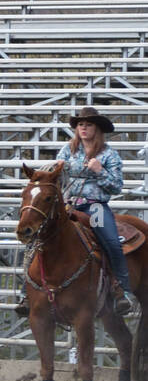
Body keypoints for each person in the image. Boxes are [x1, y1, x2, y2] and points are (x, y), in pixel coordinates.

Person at [57, 105, 139, 318]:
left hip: (95, 206)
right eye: (80, 125)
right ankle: (27, 293)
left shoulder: (109, 154)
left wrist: (100, 171)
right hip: (68, 205)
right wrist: (55, 170)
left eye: (88, 125)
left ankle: (124, 291)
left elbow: (116, 186)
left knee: (112, 242)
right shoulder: (68, 150)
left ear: (97, 128)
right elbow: (56, 177)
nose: (83, 128)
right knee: (39, 234)